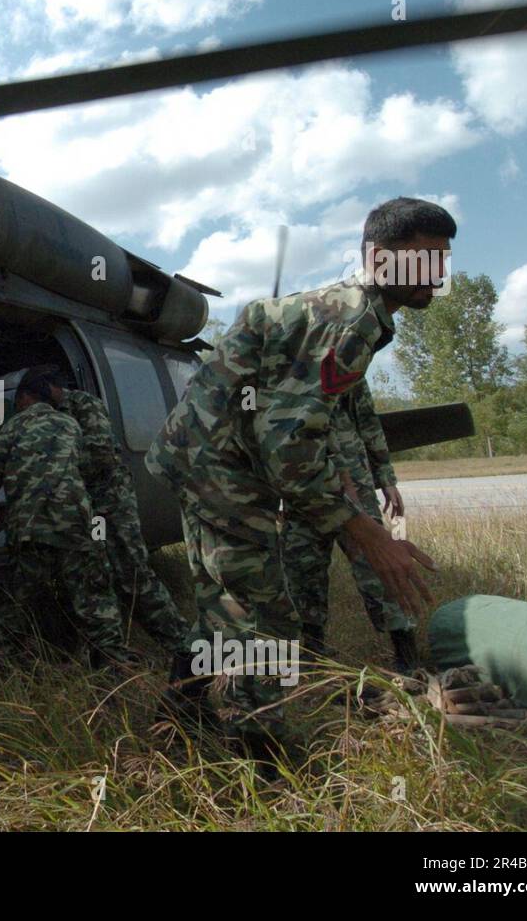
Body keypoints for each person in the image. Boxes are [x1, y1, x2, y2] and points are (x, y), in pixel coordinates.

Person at [145, 197, 452, 752]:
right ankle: (262, 756)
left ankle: (179, 716)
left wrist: (353, 497)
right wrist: (368, 535)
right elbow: (287, 448)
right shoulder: (352, 319)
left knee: (225, 600)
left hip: (202, 458)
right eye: (427, 259)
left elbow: (305, 424)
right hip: (224, 468)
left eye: (443, 260)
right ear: (381, 260)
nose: (439, 274)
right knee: (268, 617)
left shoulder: (349, 311)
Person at [0, 370, 133, 668]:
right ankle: (114, 667)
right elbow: (70, 469)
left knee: (20, 601)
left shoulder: (15, 426)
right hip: (77, 526)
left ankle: (6, 663)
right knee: (94, 601)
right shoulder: (70, 424)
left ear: (24, 398)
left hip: (31, 530)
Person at [29, 367, 190, 659]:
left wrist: (57, 456)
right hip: (86, 506)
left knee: (133, 574)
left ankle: (184, 648)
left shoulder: (82, 404)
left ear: (47, 389)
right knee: (93, 579)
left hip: (111, 502)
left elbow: (103, 451)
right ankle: (106, 654)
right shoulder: (51, 417)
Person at [281, 377, 421, 670]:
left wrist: (385, 476)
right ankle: (312, 652)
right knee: (301, 566)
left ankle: (407, 653)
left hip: (353, 473)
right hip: (304, 475)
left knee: (374, 560)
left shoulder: (342, 352)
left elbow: (367, 419)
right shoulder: (282, 355)